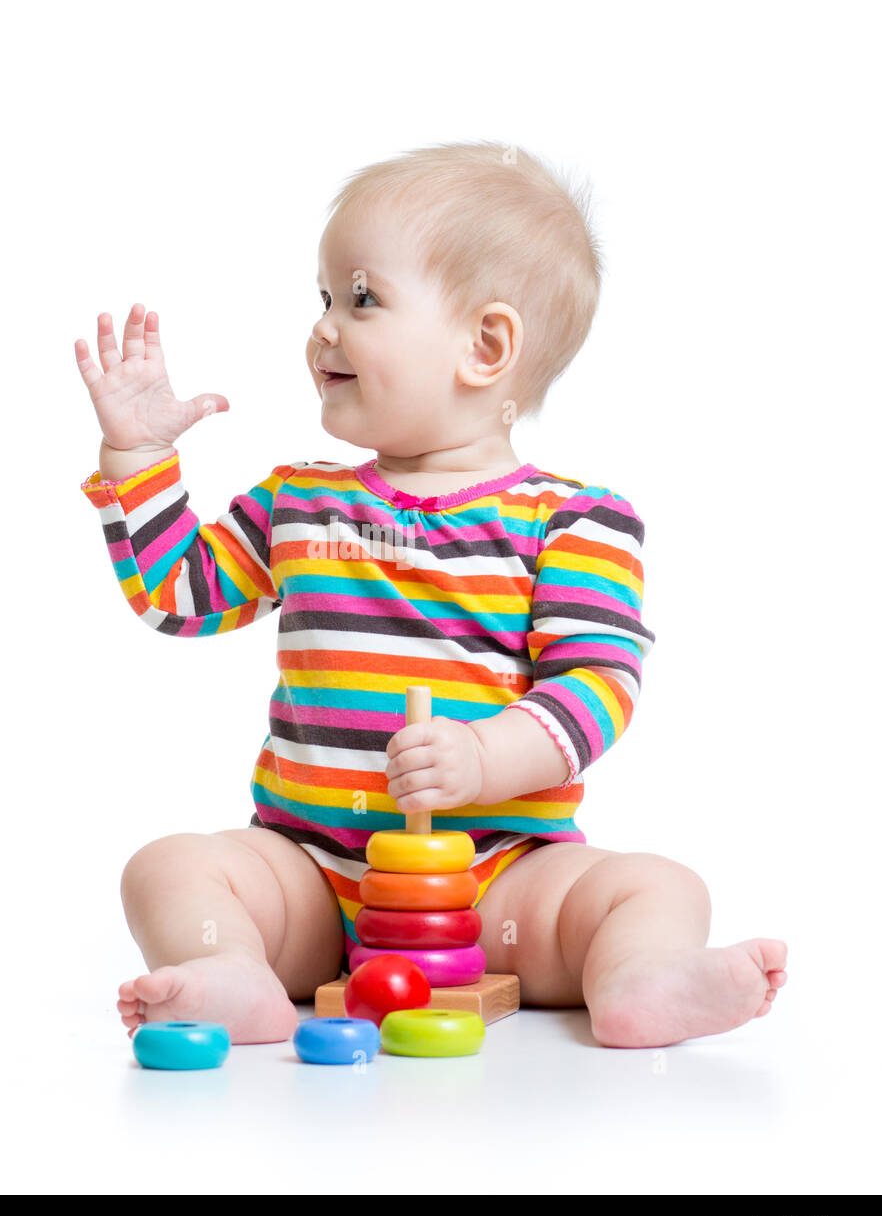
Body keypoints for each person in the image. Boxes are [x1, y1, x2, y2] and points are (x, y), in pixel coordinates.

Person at [75, 141, 786, 1048]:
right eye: (324, 299)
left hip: (498, 890)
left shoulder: (571, 522)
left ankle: (640, 977)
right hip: (313, 881)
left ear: (485, 346)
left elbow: (597, 689)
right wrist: (138, 458)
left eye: (362, 299)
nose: (325, 328)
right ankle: (234, 967)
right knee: (167, 868)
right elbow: (178, 595)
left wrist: (486, 758)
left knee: (659, 887)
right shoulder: (299, 501)